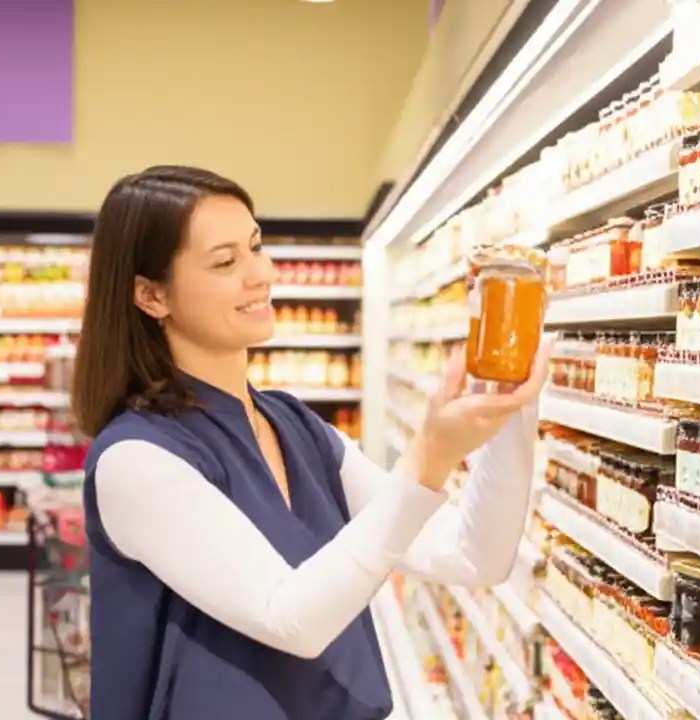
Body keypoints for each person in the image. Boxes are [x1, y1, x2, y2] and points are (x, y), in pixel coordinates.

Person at [71, 165, 549, 720]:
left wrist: (510, 402)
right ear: (152, 296)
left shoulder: (294, 428)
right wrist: (426, 460)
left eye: (256, 246)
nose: (261, 274)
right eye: (226, 262)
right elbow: (289, 619)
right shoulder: (137, 459)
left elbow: (474, 555)